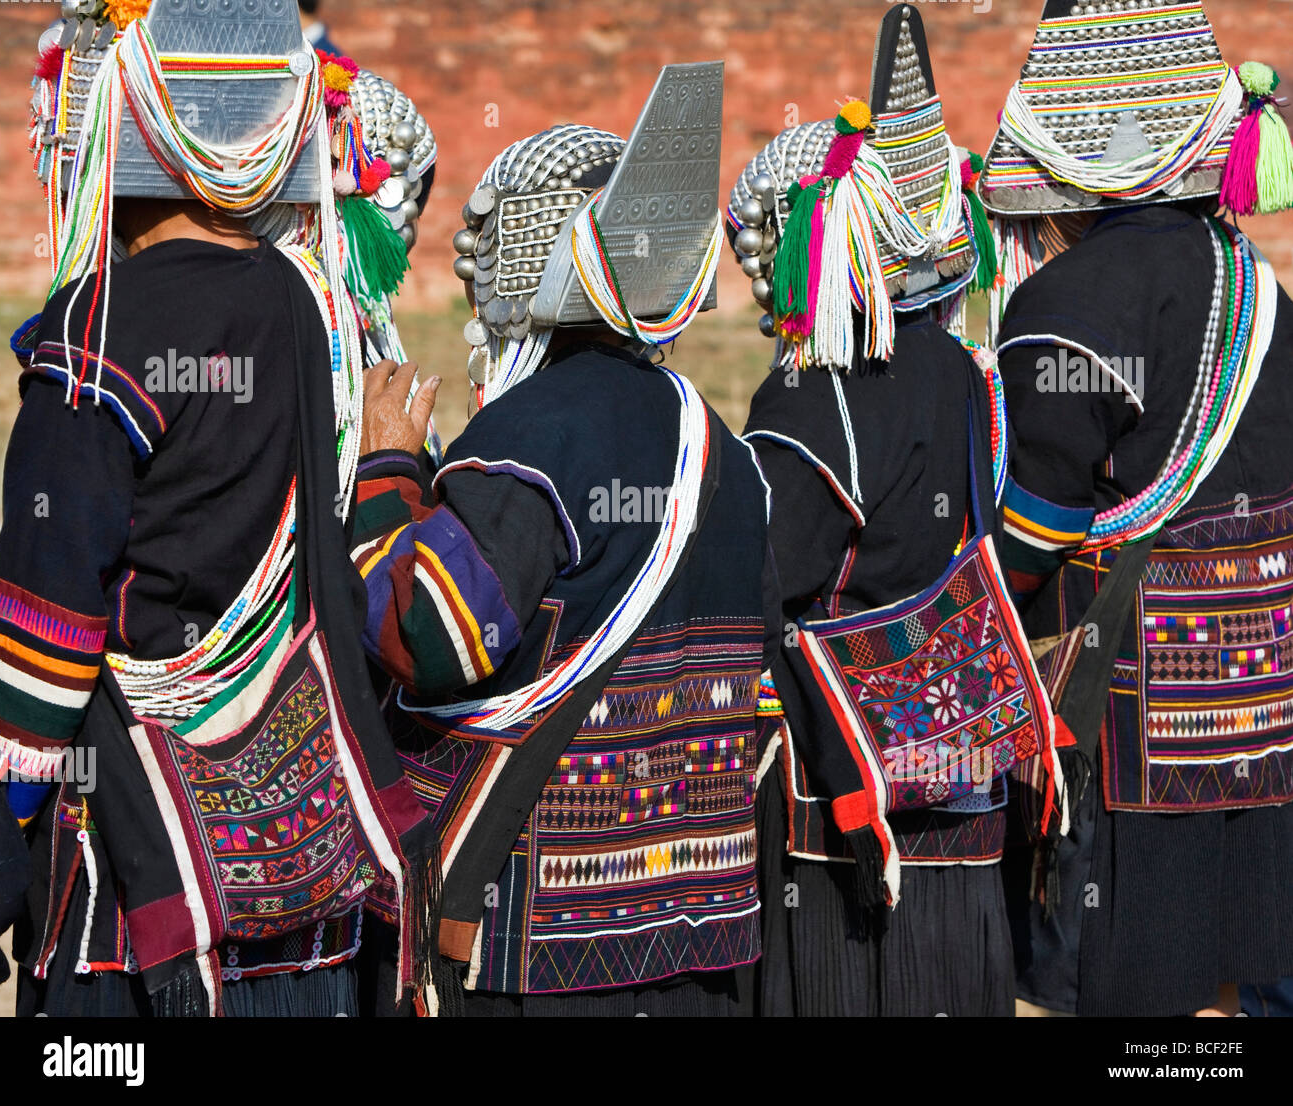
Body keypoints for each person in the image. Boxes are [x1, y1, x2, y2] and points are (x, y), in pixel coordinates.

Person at [0, 0, 439, 1016]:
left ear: (119, 122)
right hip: (306, 879)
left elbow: (42, 650)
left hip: (142, 905)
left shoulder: (95, 335)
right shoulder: (301, 304)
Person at [354, 62, 781, 1016]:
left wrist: (387, 479)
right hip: (697, 928)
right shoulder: (724, 446)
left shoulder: (531, 438)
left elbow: (431, 639)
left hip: (535, 941)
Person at [729, 4, 1058, 1016]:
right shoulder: (967, 371)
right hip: (964, 766)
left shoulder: (808, 396)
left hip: (847, 799)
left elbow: (767, 584)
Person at [979, 0, 1293, 1017]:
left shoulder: (1066, 303)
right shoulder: (1258, 285)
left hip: (1131, 705)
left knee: (1135, 964)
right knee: (1242, 955)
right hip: (1266, 680)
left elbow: (1031, 527)